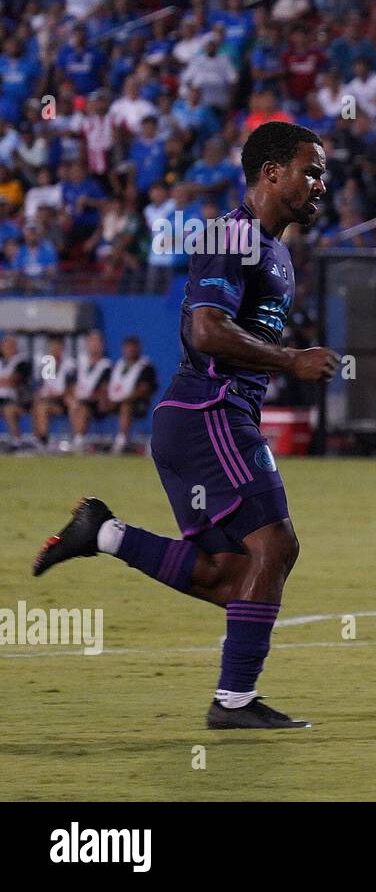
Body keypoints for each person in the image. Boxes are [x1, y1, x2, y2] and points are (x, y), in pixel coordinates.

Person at [34, 122, 341, 730]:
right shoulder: (232, 235)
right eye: (311, 170)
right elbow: (204, 329)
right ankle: (233, 704)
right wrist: (290, 359)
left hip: (206, 418)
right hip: (210, 412)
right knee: (276, 547)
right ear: (271, 172)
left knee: (233, 577)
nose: (320, 184)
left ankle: (104, 533)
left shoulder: (275, 252)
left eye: (323, 173)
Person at [104, 335, 158, 454]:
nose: (130, 350)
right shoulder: (117, 365)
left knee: (126, 406)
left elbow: (143, 390)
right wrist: (105, 399)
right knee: (82, 406)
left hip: (138, 405)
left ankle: (121, 442)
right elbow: (107, 386)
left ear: (138, 348)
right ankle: (79, 440)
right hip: (114, 402)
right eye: (128, 347)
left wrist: (119, 400)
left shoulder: (146, 367)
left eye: (133, 348)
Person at [0, 333, 31, 450]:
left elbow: (12, 381)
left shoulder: (22, 362)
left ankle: (16, 442)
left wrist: (6, 381)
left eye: (11, 345)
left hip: (17, 400)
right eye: (6, 345)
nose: (8, 348)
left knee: (9, 410)